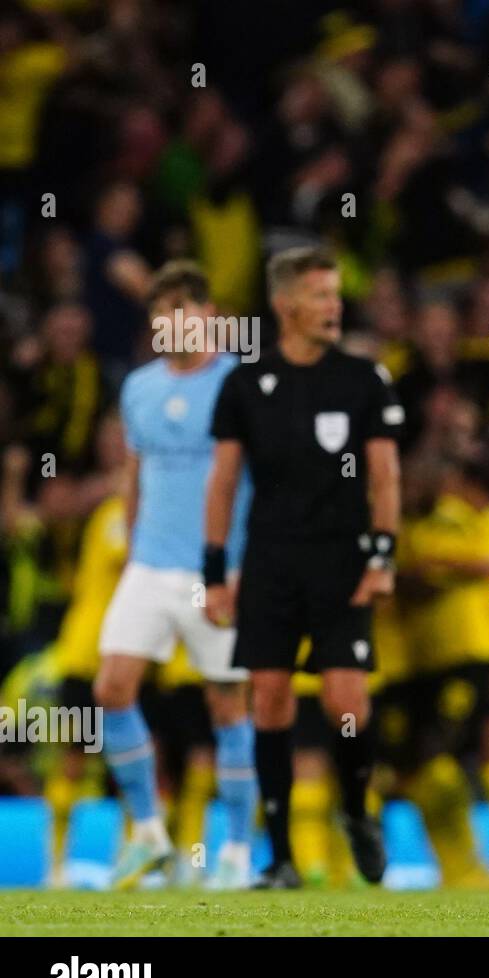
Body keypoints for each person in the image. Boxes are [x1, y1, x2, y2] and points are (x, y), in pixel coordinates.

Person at [204, 246, 403, 889]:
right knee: (268, 699)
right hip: (270, 561)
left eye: (335, 296)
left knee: (347, 699)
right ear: (285, 305)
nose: (333, 307)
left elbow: (384, 476)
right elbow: (224, 484)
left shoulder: (362, 379)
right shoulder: (244, 384)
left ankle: (354, 807)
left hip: (342, 561)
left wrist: (382, 557)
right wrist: (214, 571)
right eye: (320, 296)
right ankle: (281, 857)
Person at [94, 261, 256, 890]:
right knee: (111, 688)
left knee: (226, 706)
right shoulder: (137, 387)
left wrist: (242, 569)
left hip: (217, 568)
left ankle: (238, 852)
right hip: (150, 565)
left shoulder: (239, 386)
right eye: (162, 310)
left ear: (211, 317)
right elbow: (133, 477)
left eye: (185, 307)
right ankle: (152, 835)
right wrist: (132, 550)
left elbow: (258, 484)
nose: (173, 321)